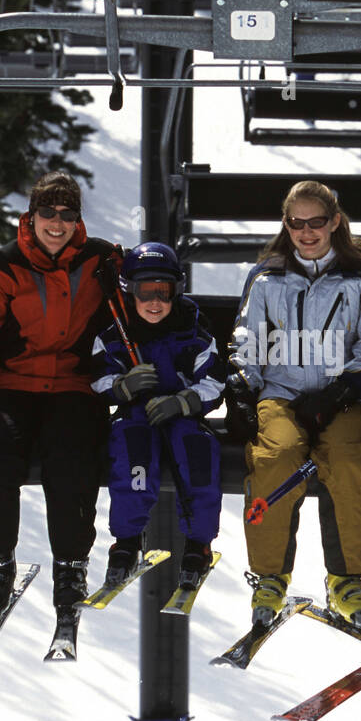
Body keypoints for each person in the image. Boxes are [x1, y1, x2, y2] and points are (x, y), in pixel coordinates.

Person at [0, 170, 119, 635]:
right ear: (32, 216)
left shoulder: (100, 261)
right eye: (47, 212)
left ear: (77, 219)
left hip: (73, 384)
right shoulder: (5, 268)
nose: (56, 224)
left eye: (67, 214)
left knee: (73, 455)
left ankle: (71, 567)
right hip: (13, 382)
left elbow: (149, 291)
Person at [227, 180, 361, 631]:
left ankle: (347, 579)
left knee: (348, 459)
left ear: (334, 222)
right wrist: (244, 385)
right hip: (282, 392)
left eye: (316, 222)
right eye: (296, 223)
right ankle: (270, 577)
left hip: (345, 398)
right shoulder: (268, 278)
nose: (306, 232)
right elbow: (247, 337)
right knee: (276, 456)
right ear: (286, 225)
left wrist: (344, 389)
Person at [91, 242, 224, 589]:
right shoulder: (116, 329)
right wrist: (122, 387)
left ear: (175, 291)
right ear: (129, 291)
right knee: (132, 458)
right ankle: (127, 540)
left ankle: (198, 543)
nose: (155, 302)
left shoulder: (191, 326)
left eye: (163, 292)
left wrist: (185, 401)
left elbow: (213, 379)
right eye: (145, 291)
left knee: (198, 456)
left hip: (183, 415)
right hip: (137, 414)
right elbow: (97, 377)